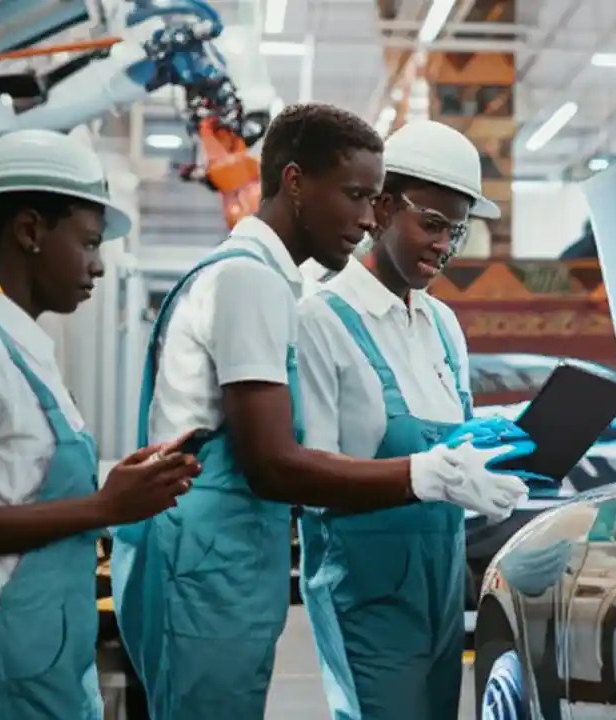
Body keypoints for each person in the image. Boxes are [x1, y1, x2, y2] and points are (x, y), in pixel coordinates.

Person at [109, 104, 533, 720]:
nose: (363, 218)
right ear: (298, 183)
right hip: (258, 568)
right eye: (359, 196)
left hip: (259, 566)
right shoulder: (278, 296)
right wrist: (428, 474)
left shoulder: (427, 321)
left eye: (456, 231)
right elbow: (279, 465)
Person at [0, 129, 201, 719]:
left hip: (40, 669)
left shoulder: (23, 349)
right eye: (88, 243)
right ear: (30, 231)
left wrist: (114, 486)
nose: (99, 266)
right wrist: (102, 508)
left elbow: (14, 488)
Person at [295, 119, 533, 719]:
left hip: (442, 588)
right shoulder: (322, 319)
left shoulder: (443, 326)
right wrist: (422, 474)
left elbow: (459, 450)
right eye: (431, 224)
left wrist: (497, 460)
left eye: (458, 231)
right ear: (379, 206)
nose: (445, 246)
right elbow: (305, 478)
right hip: (365, 595)